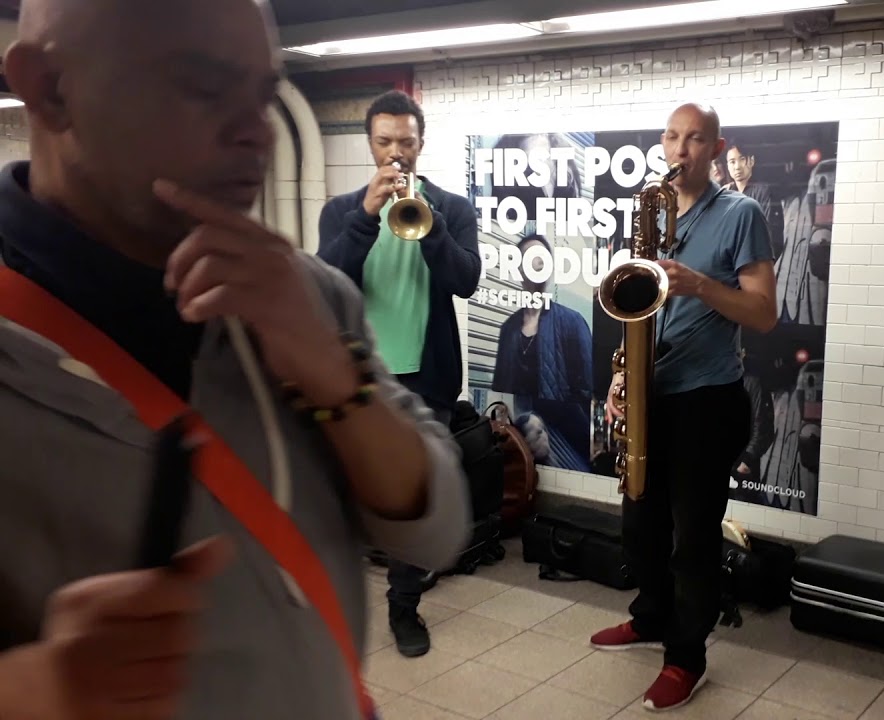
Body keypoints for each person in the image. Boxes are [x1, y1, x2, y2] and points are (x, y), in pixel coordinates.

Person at [0, 0, 470, 718]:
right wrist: (29, 688)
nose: (257, 133)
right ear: (51, 89)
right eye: (202, 86)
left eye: (262, 94)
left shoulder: (306, 293)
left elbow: (438, 529)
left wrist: (333, 374)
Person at [588, 103, 777, 712]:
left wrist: (697, 282)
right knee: (640, 526)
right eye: (672, 137)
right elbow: (637, 313)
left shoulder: (741, 213)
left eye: (695, 139)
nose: (681, 149)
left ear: (717, 147)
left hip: (706, 400)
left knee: (691, 537)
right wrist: (624, 376)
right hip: (651, 395)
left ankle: (685, 657)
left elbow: (764, 313)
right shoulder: (649, 215)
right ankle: (648, 618)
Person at [317, 89, 481, 659]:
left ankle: (403, 606)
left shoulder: (453, 208)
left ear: (420, 144)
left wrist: (430, 225)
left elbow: (466, 281)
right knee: (344, 493)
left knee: (415, 498)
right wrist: (366, 218)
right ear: (370, 144)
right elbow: (324, 282)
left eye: (405, 143)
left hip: (425, 379)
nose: (396, 154)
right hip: (355, 380)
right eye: (384, 143)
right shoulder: (341, 210)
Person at [490, 233, 594, 471]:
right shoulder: (508, 329)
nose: (539, 263)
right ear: (518, 269)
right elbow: (502, 390)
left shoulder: (572, 321)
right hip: (521, 432)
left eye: (543, 258)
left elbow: (588, 393)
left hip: (566, 437)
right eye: (532, 257)